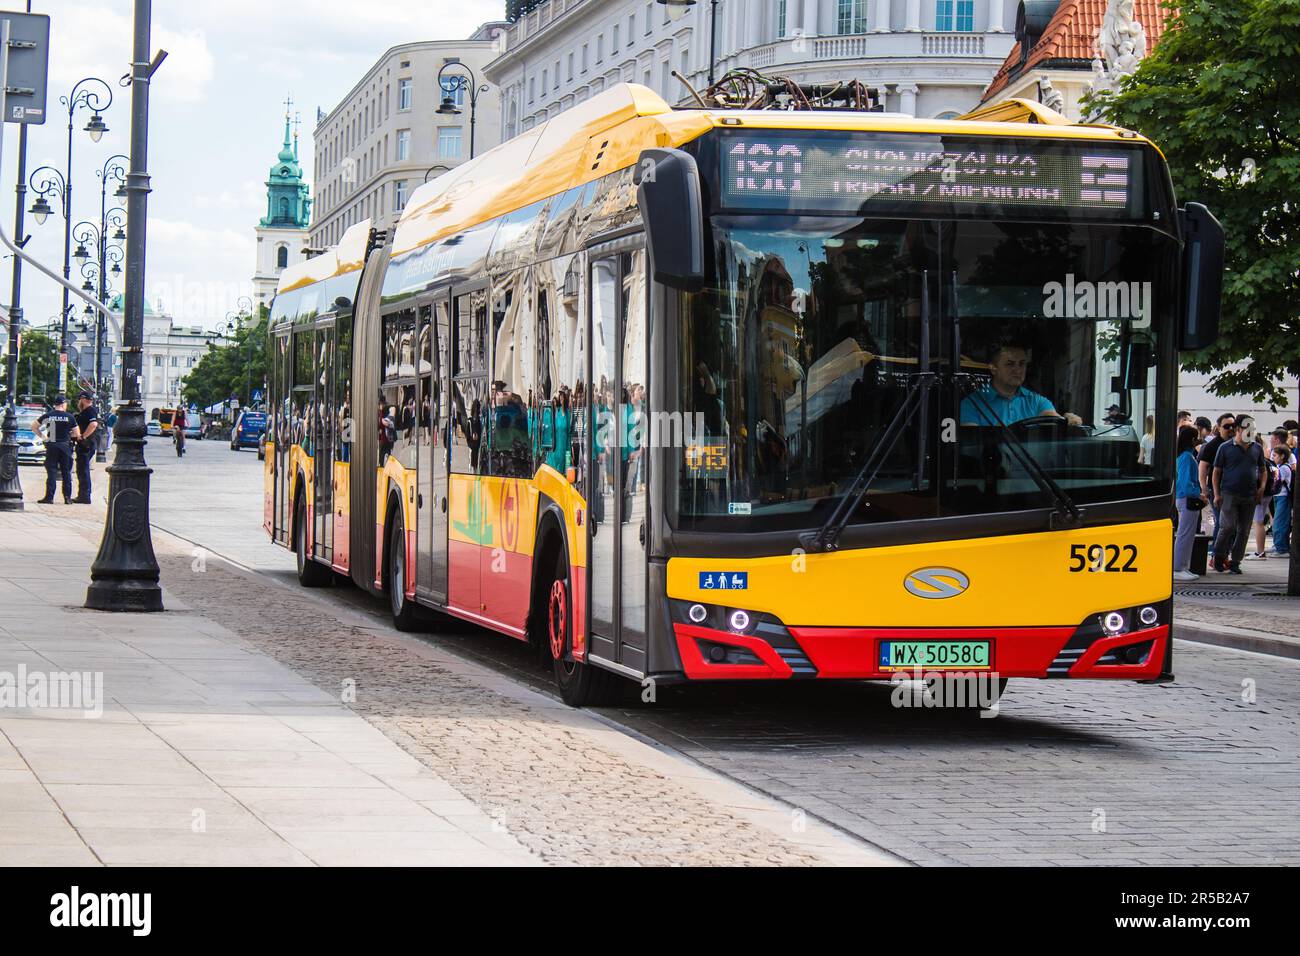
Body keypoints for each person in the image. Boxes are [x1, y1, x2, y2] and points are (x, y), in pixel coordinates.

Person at [959, 342, 1081, 426]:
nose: (1017, 370)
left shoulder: (1037, 402)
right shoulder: (972, 404)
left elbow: (1053, 421)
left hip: (1032, 464)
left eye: (1022, 364)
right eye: (1010, 364)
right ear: (993, 368)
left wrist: (1068, 421)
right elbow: (972, 447)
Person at [1212, 415, 1268, 573]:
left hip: (1250, 495)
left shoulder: (1256, 448)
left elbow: (1263, 470)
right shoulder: (1225, 447)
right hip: (1228, 493)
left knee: (1244, 530)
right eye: (1247, 428)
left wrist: (1262, 488)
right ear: (1238, 429)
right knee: (1227, 527)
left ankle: (1235, 561)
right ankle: (1219, 555)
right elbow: (1216, 472)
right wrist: (1216, 494)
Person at [1198, 412, 1236, 557]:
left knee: (1231, 524)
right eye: (1227, 426)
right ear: (1219, 428)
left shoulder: (1238, 443)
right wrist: (1204, 487)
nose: (1230, 429)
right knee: (1222, 523)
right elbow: (1203, 467)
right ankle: (1217, 554)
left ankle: (1224, 553)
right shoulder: (1213, 445)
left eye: (1233, 426)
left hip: (1234, 490)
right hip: (1218, 490)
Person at [34, 394, 81, 504]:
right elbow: (77, 433)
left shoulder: (48, 415)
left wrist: (44, 437)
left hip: (52, 444)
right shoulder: (69, 417)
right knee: (66, 472)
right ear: (63, 404)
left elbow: (34, 426)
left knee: (51, 472)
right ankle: (67, 498)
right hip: (65, 445)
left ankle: (49, 497)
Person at [1173, 424, 1203, 581]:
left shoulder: (1184, 456)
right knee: (1185, 533)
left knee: (1186, 533)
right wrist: (1198, 494)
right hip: (1188, 498)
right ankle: (1178, 566)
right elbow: (1185, 482)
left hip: (1185, 498)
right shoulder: (1187, 457)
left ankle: (1183, 565)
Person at [72, 392, 100, 504]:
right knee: (81, 469)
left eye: (79, 399)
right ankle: (82, 494)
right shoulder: (85, 412)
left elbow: (93, 424)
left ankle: (85, 496)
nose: (78, 402)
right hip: (85, 443)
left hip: (86, 444)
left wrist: (83, 436)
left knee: (83, 470)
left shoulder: (90, 411)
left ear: (83, 399)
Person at [1270, 444, 1292, 556]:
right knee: (1278, 522)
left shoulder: (1283, 468)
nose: (1273, 457)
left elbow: (1277, 482)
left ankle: (1282, 548)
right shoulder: (1280, 467)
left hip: (1283, 497)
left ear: (1282, 456)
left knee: (1280, 523)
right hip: (1279, 497)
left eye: (1275, 455)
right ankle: (1279, 545)